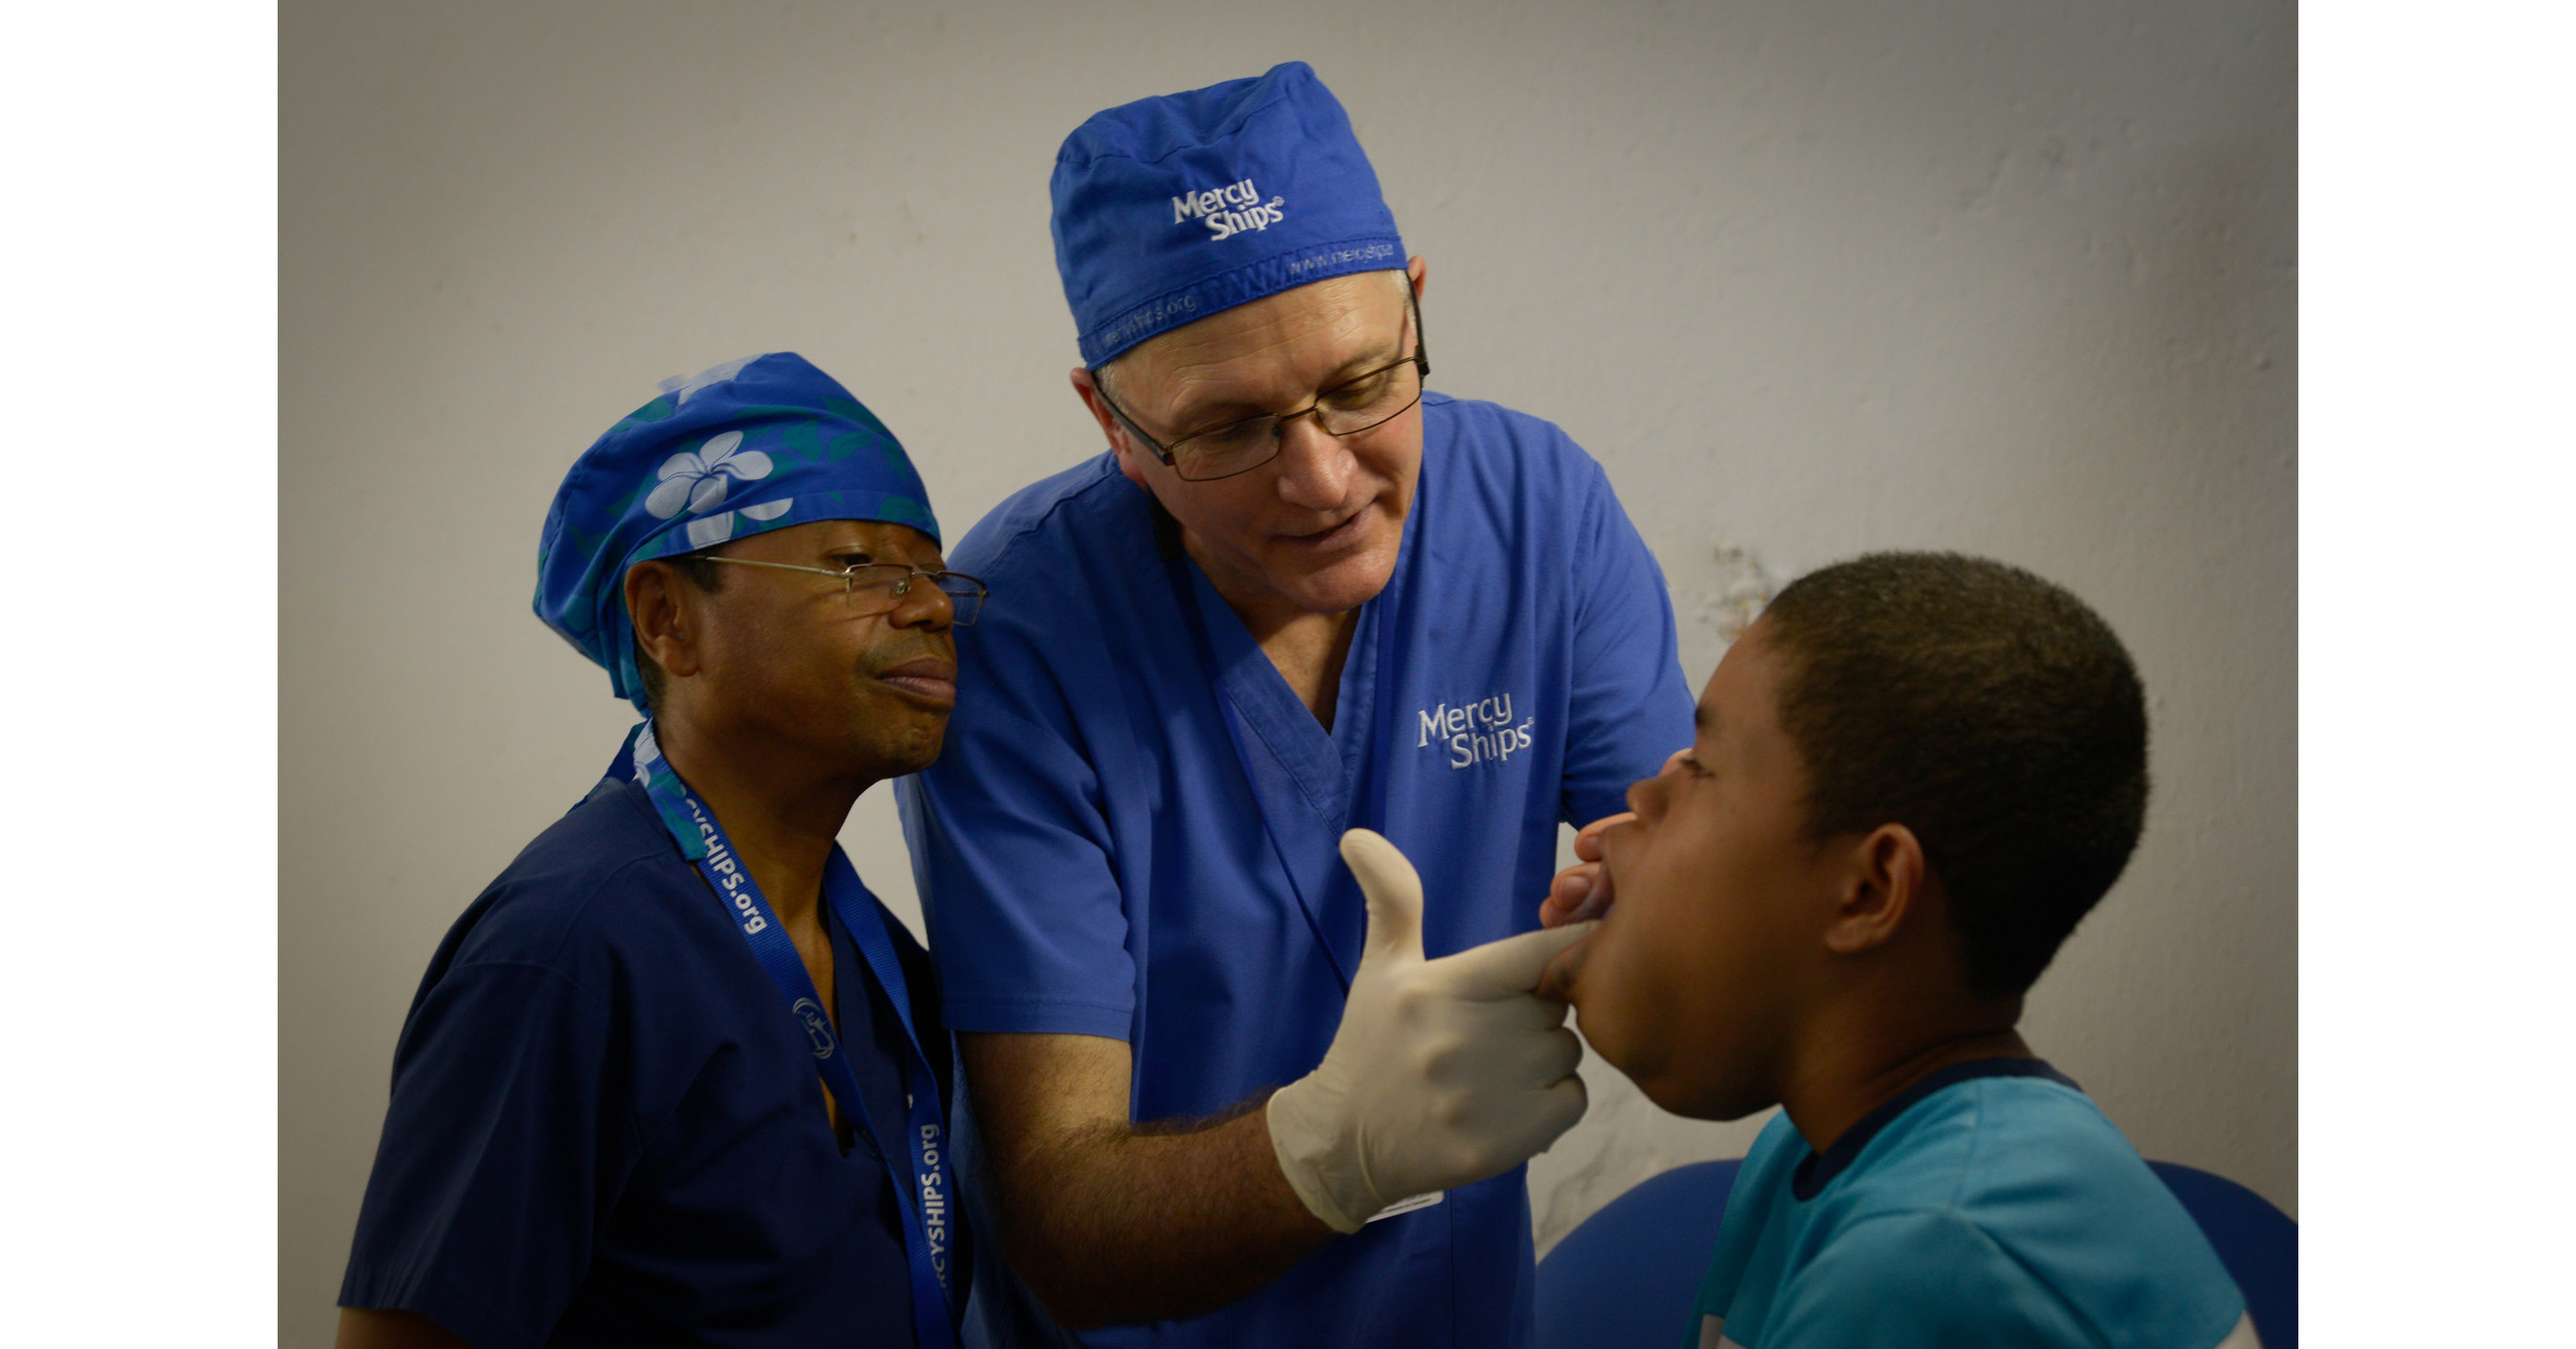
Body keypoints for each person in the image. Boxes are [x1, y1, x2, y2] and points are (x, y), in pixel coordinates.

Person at [899, 62, 1695, 1347]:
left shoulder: (1541, 515)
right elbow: (1065, 1226)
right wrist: (1322, 1149)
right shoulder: (1017, 636)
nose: (1322, 477)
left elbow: (1702, 938)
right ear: (1109, 417)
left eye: (1363, 384)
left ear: (1418, 307)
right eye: (1226, 429)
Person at [336, 353, 989, 1349]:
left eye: (935, 573)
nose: (932, 606)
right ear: (667, 620)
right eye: (862, 567)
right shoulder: (568, 953)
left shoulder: (888, 968)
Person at [1542, 551, 2260, 1349]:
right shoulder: (1819, 1145)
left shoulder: (1937, 1251)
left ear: (1870, 891)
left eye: (1701, 769)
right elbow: (1676, 1054)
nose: (1640, 797)